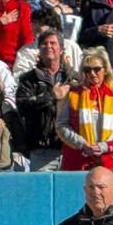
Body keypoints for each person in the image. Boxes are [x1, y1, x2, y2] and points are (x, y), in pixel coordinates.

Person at [56, 46, 113, 170]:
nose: (92, 73)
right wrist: (82, 143)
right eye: (87, 70)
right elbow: (61, 125)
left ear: (106, 70)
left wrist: (106, 146)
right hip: (78, 161)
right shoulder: (73, 93)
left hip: (110, 161)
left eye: (97, 69)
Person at [16, 29, 76, 171]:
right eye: (44, 44)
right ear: (38, 50)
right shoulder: (28, 79)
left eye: (53, 43)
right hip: (42, 150)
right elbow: (22, 106)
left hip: (72, 148)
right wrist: (51, 96)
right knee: (41, 191)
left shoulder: (75, 78)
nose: (48, 46)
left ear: (61, 49)